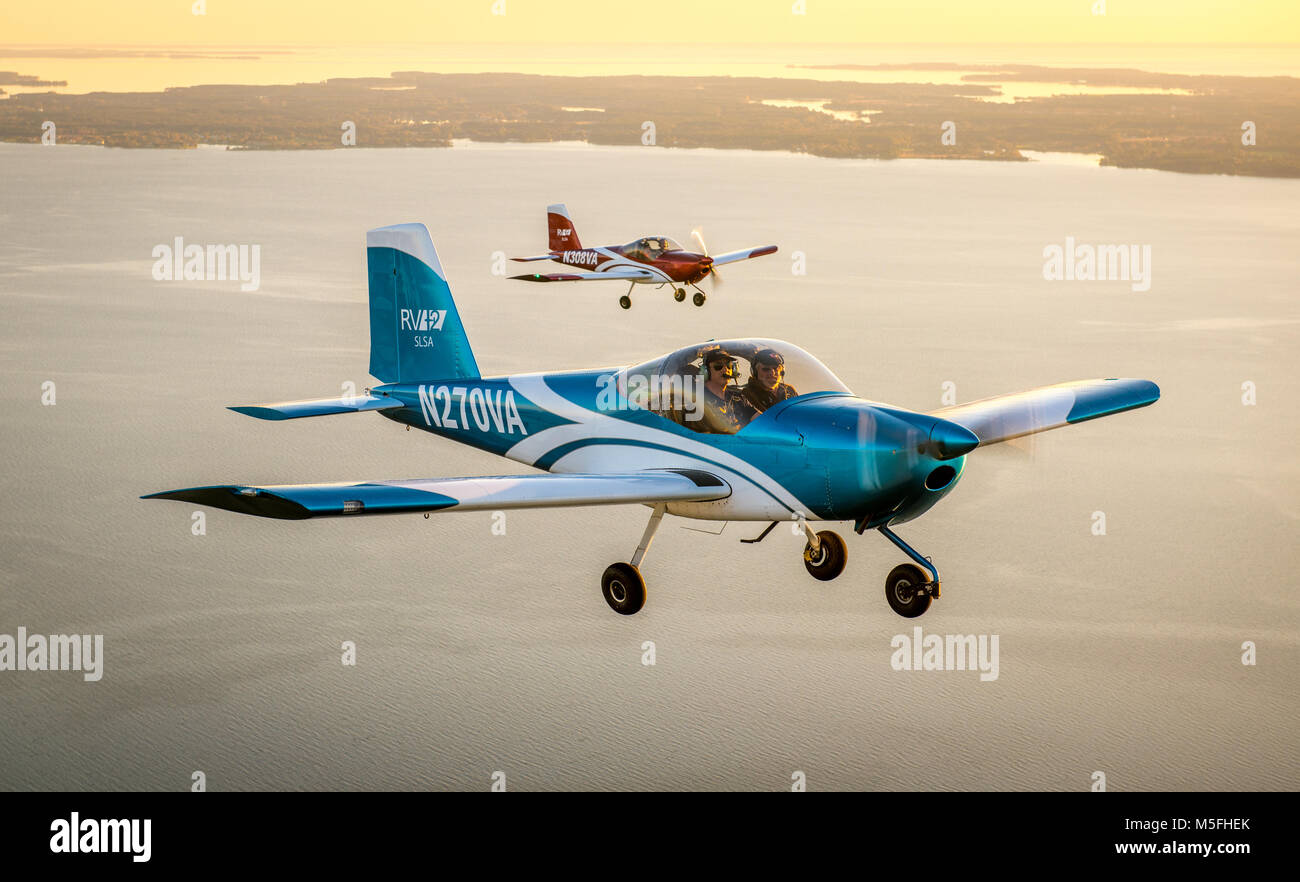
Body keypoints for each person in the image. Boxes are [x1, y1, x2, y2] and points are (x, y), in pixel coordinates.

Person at [696, 348, 757, 434]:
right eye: (718, 366)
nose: (725, 370)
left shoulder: (738, 397)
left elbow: (762, 420)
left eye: (729, 366)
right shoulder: (697, 399)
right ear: (706, 371)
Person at [743, 348, 799, 413]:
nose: (772, 373)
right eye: (766, 369)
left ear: (782, 371)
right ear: (755, 372)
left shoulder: (789, 390)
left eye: (775, 368)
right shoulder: (746, 394)